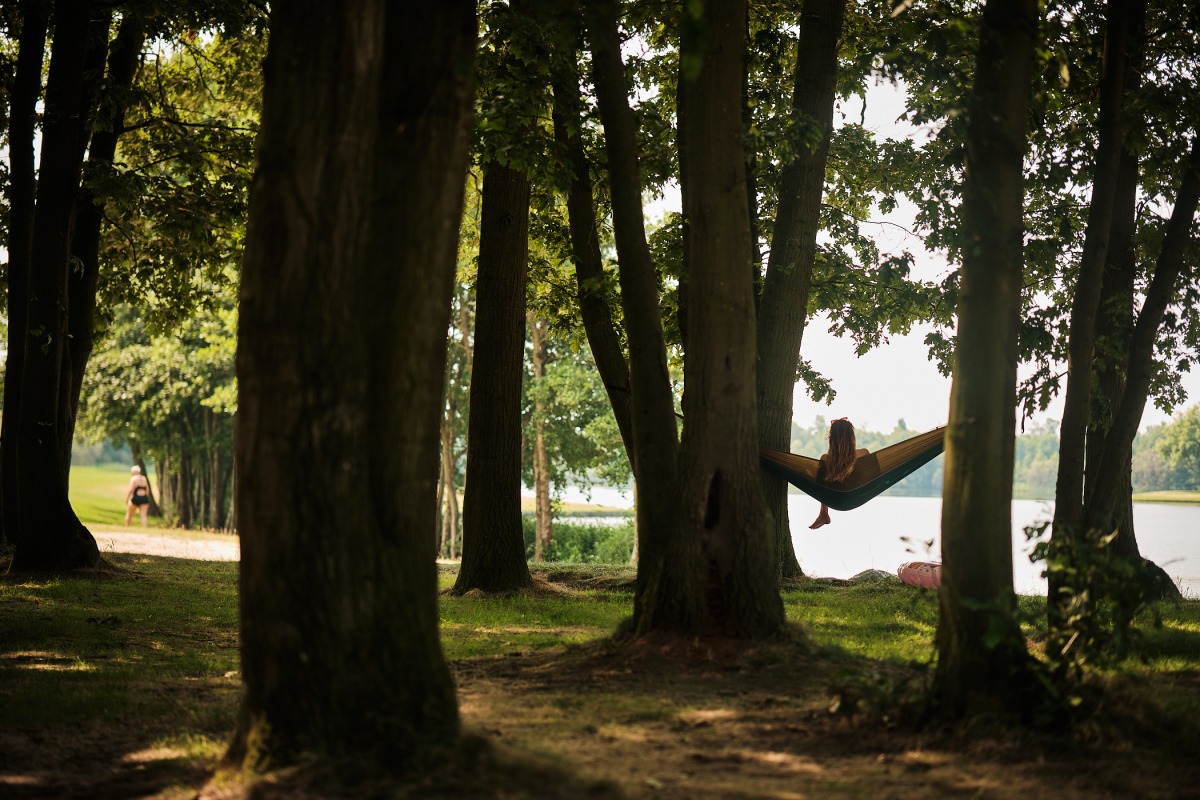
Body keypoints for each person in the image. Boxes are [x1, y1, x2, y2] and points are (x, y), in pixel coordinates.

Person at [809, 418, 869, 529]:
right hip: (857, 496)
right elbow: (874, 475)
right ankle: (823, 515)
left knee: (822, 480)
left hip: (835, 499)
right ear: (851, 437)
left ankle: (823, 513)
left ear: (832, 439)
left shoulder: (825, 460)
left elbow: (821, 488)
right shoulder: (863, 454)